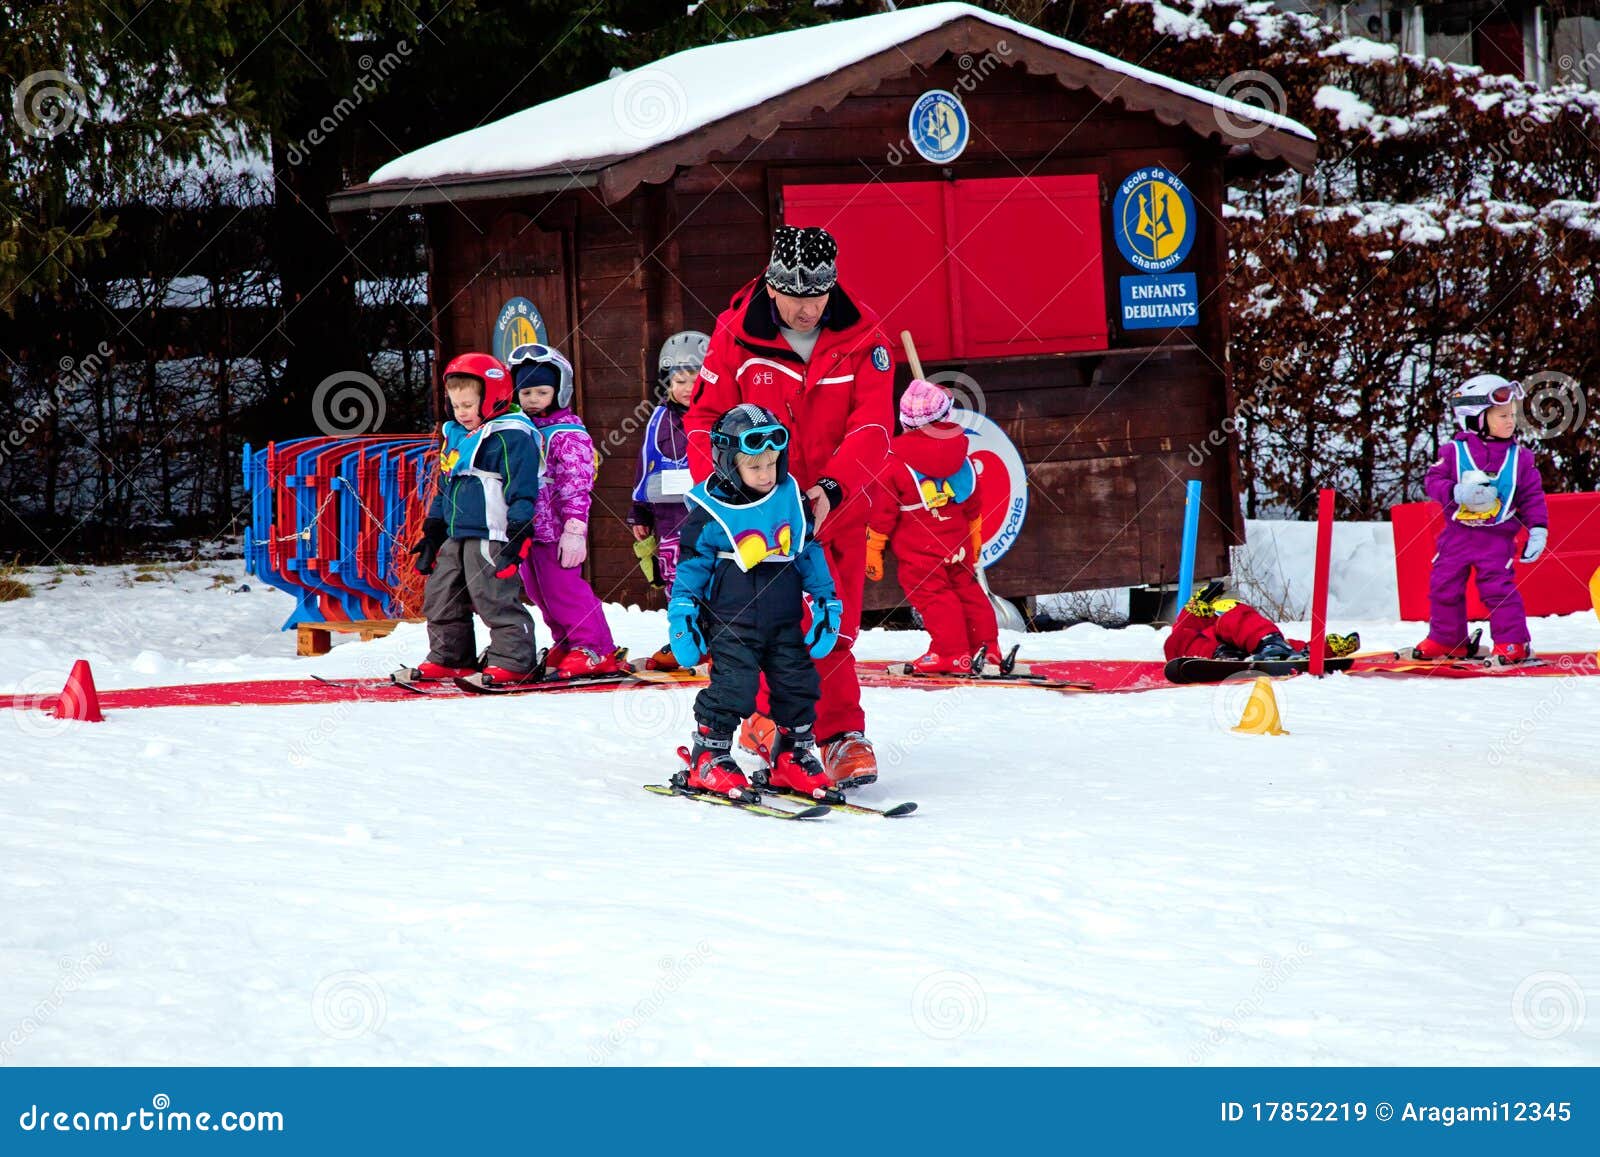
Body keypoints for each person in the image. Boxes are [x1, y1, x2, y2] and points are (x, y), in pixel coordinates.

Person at [686, 224, 894, 788]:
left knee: (833, 625)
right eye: (796, 298)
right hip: (759, 518)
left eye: (818, 297)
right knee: (762, 625)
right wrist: (728, 497)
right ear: (772, 288)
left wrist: (832, 489)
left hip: (836, 509)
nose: (808, 310)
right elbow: (705, 422)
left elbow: (873, 427)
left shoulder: (866, 338)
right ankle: (768, 722)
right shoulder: (734, 334)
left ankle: (841, 735)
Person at [667, 405, 843, 801]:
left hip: (784, 621)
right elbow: (692, 569)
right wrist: (683, 612)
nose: (766, 475)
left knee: (798, 684)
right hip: (732, 622)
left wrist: (826, 602)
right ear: (730, 464)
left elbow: (808, 553)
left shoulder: (790, 500)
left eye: (772, 464)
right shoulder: (711, 513)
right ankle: (708, 755)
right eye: (755, 467)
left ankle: (792, 755)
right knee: (735, 686)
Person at [403, 352, 541, 684]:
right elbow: (446, 483)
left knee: (492, 596)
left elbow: (522, 487)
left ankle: (514, 659)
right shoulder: (457, 436)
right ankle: (451, 657)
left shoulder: (511, 435)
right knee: (442, 593)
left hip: (492, 532)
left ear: (492, 398)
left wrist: (520, 529)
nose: (462, 412)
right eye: (456, 405)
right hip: (455, 532)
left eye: (468, 405)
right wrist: (434, 529)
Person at [507, 342, 628, 679]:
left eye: (542, 391)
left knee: (564, 589)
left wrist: (575, 530)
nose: (533, 399)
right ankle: (568, 639)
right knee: (537, 590)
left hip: (557, 529)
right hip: (528, 528)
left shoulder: (567, 433)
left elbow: (576, 485)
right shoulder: (520, 429)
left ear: (558, 392)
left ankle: (595, 648)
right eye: (526, 391)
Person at [1410, 372, 1549, 665]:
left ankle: (1513, 642)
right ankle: (1447, 639)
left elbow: (1532, 496)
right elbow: (1432, 481)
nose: (1510, 421)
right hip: (1457, 537)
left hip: (1496, 538)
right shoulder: (1453, 452)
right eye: (1501, 415)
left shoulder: (1520, 458)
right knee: (1443, 585)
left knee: (1497, 589)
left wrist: (1538, 530)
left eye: (1512, 414)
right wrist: (1455, 491)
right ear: (1473, 417)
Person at [864, 378, 997, 674]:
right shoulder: (961, 456)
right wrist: (974, 541)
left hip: (920, 548)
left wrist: (873, 548)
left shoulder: (894, 463)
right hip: (958, 540)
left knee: (934, 594)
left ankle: (951, 653)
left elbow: (883, 512)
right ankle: (986, 649)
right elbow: (973, 501)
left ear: (904, 422)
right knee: (966, 588)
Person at [629, 330, 707, 670]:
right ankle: (683, 644)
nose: (688, 387)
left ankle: (720, 645)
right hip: (671, 523)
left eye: (696, 378)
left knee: (717, 583)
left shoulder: (724, 417)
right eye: (679, 380)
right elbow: (646, 468)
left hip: (712, 522)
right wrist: (639, 513)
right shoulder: (659, 419)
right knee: (678, 587)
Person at [1165, 582, 1358, 665]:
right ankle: (1224, 657)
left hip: (1260, 647)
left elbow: (1298, 650)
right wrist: (1193, 611)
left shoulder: (1240, 624)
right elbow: (1180, 636)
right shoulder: (1201, 631)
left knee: (1235, 620)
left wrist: (1326, 648)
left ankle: (1271, 645)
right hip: (1214, 654)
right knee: (1175, 640)